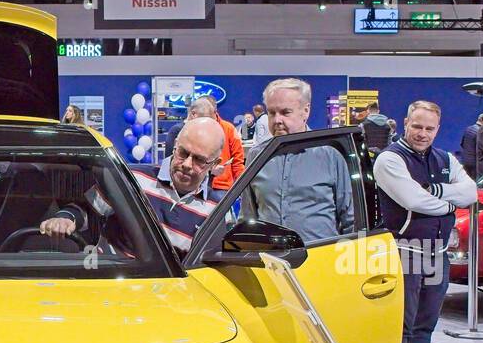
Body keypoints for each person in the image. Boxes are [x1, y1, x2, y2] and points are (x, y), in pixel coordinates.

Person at [374, 102, 478, 343]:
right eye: (417, 126)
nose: (422, 133)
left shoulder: (445, 159)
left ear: (437, 128)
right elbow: (412, 200)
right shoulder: (390, 158)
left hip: (437, 255)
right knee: (400, 326)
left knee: (425, 325)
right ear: (405, 123)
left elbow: (471, 192)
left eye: (429, 128)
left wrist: (436, 190)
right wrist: (449, 205)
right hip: (404, 252)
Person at [249, 77, 355, 244]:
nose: (277, 120)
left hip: (320, 262)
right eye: (271, 113)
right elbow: (248, 218)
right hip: (269, 262)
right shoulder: (257, 156)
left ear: (306, 111)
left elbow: (350, 219)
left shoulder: (331, 154)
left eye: (285, 112)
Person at [124, 117, 226, 257]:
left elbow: (206, 269)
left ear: (214, 164)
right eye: (183, 153)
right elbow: (85, 220)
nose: (187, 164)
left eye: (199, 160)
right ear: (175, 145)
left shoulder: (215, 210)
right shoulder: (134, 179)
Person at [188, 95, 244, 199]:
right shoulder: (196, 128)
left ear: (215, 110)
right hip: (197, 185)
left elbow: (238, 160)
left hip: (221, 187)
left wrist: (242, 187)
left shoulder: (229, 129)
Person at [456, 114, 483, 179]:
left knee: (465, 181)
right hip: (475, 163)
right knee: (474, 183)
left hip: (465, 161)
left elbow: (462, 144)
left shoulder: (468, 129)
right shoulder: (481, 132)